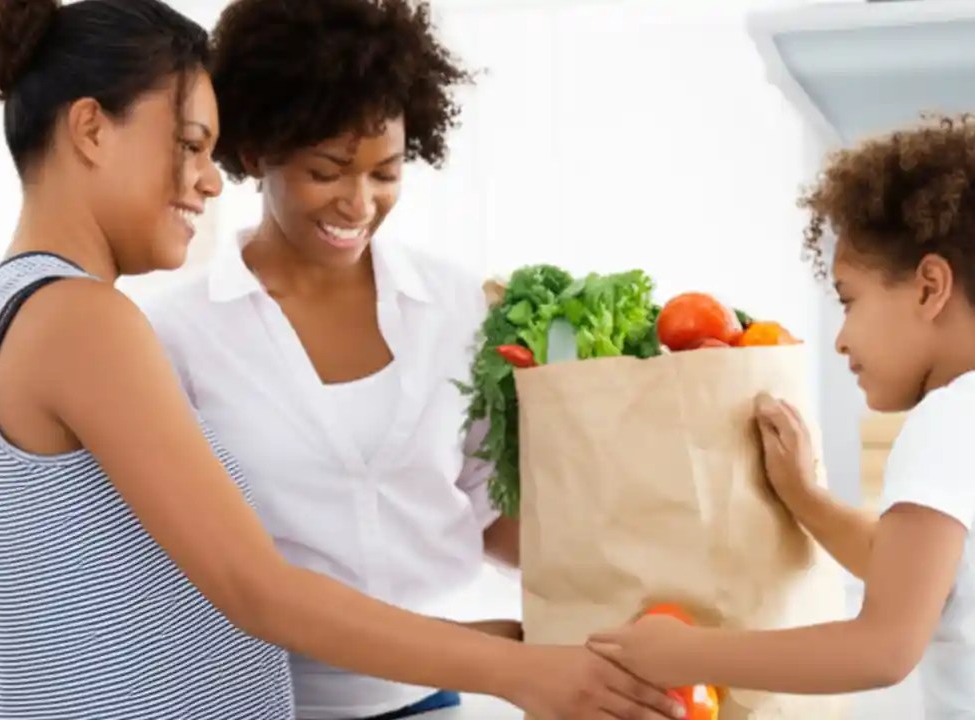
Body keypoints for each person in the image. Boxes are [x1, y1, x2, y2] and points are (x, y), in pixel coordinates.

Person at [0, 1, 681, 719]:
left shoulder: (15, 303)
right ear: (89, 129)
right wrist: (520, 673)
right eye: (190, 143)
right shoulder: (85, 321)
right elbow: (257, 587)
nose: (209, 181)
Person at [141, 1, 626, 718]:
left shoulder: (457, 308)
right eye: (328, 171)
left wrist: (634, 526)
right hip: (262, 705)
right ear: (256, 153)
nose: (358, 203)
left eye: (385, 173)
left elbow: (488, 509)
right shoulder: (178, 336)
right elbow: (207, 573)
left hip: (429, 699)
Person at [587, 114, 975, 718]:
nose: (842, 340)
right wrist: (805, 498)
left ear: (930, 287)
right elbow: (909, 572)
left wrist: (691, 655)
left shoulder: (950, 421)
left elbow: (882, 649)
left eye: (849, 300)